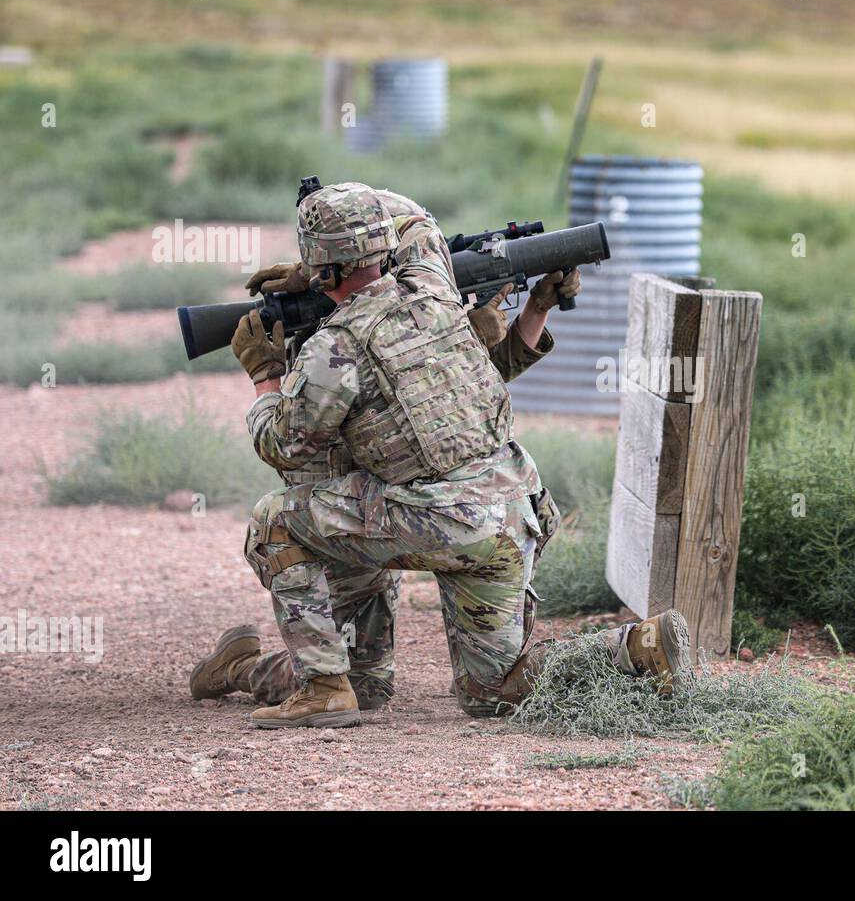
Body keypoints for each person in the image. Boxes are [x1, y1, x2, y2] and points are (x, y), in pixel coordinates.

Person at [189, 181, 690, 728]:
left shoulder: (334, 347)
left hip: (438, 518)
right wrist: (539, 306)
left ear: (322, 267)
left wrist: (265, 375)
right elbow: (414, 216)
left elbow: (284, 445)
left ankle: (323, 690)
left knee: (275, 520)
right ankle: (633, 648)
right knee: (493, 691)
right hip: (508, 515)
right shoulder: (434, 281)